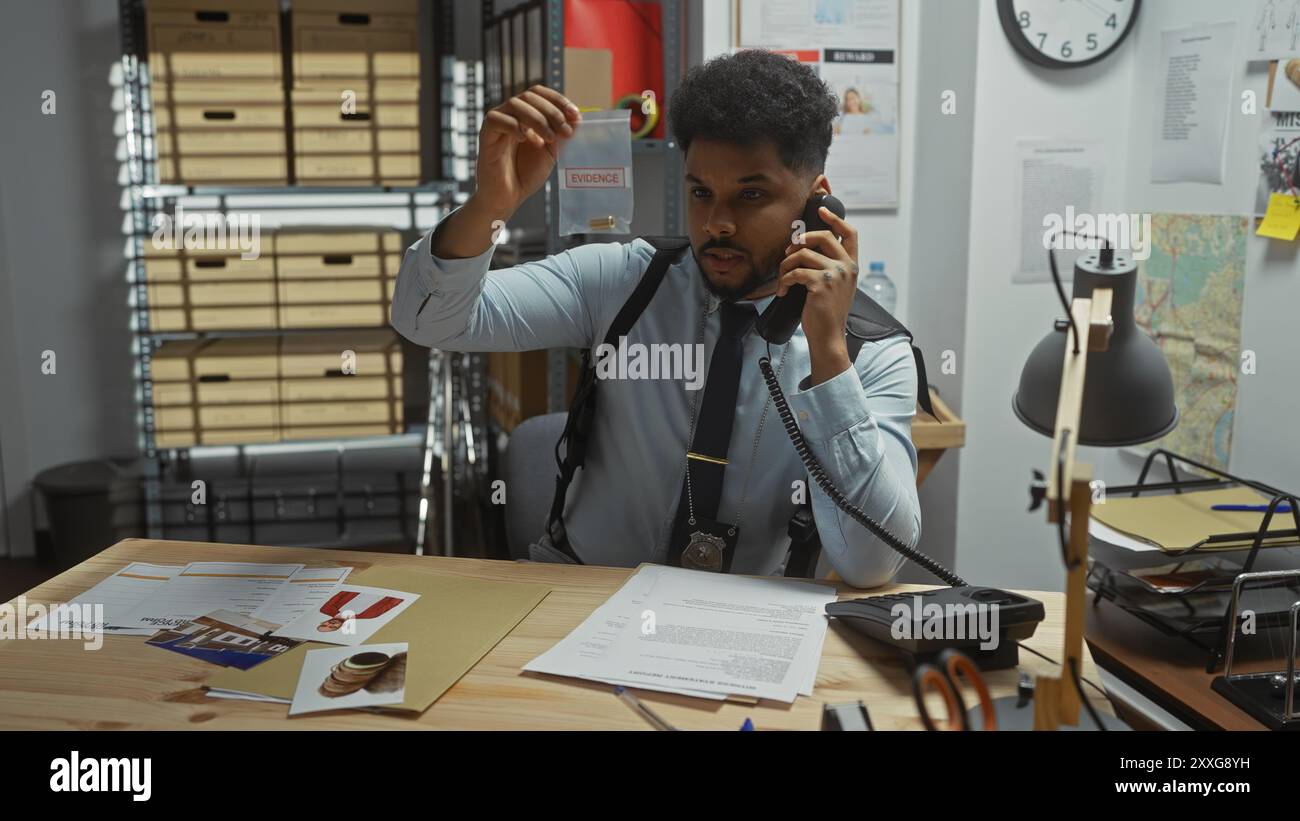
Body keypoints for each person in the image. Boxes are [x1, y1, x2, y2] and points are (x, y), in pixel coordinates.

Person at [391, 49, 921, 588]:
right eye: (700, 193)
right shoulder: (622, 281)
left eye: (751, 195)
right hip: (586, 593)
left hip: (744, 619)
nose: (717, 223)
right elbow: (428, 320)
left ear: (816, 204)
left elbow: (871, 563)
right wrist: (490, 206)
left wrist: (829, 355)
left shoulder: (872, 353)